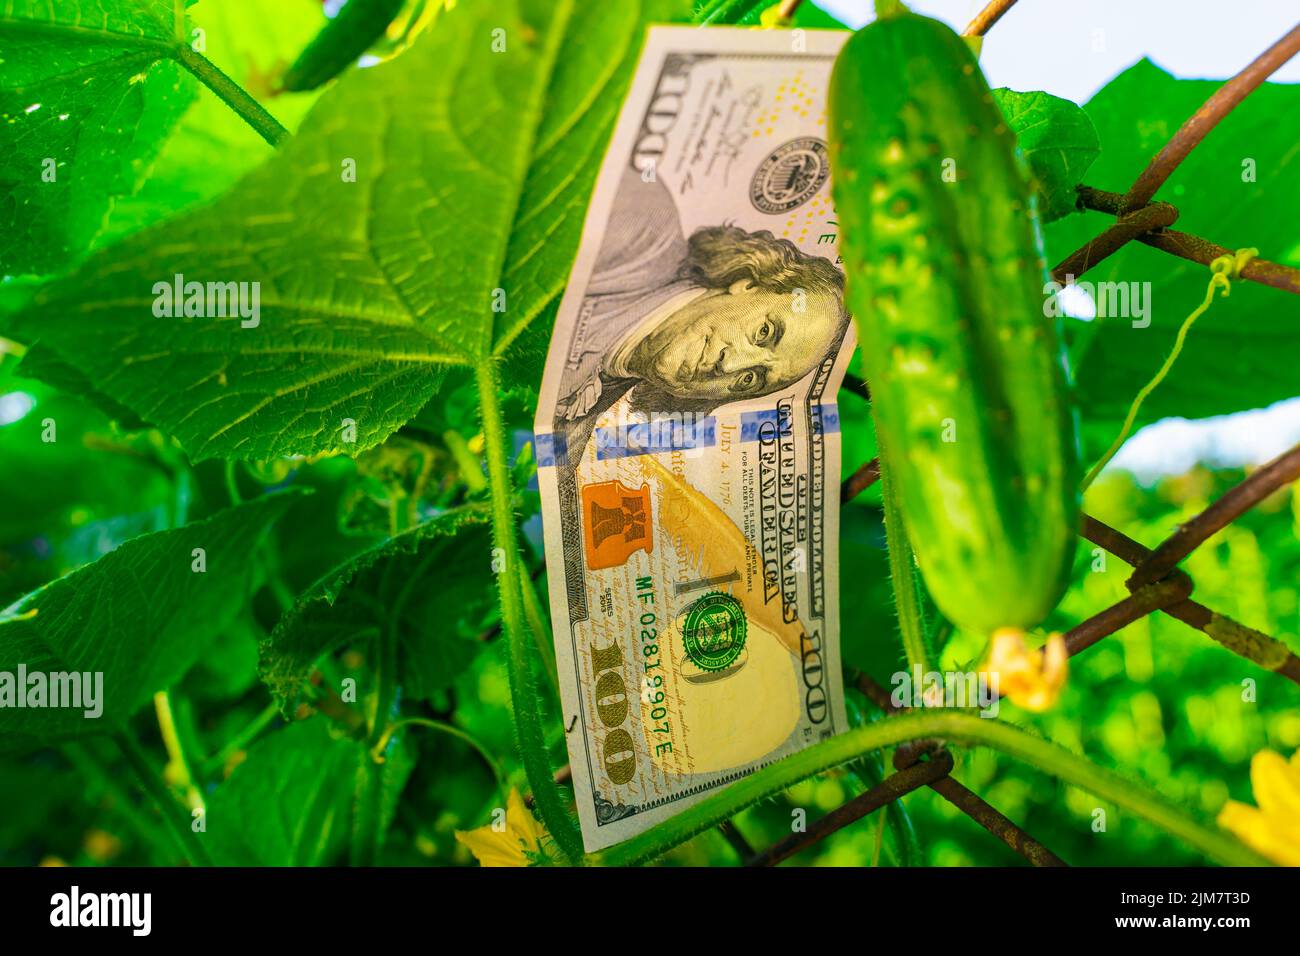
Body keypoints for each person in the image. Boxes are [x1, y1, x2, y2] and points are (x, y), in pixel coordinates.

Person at [551, 166, 850, 467]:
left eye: (750, 379)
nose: (729, 365)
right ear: (747, 283)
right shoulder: (643, 229)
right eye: (764, 332)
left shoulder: (569, 440)